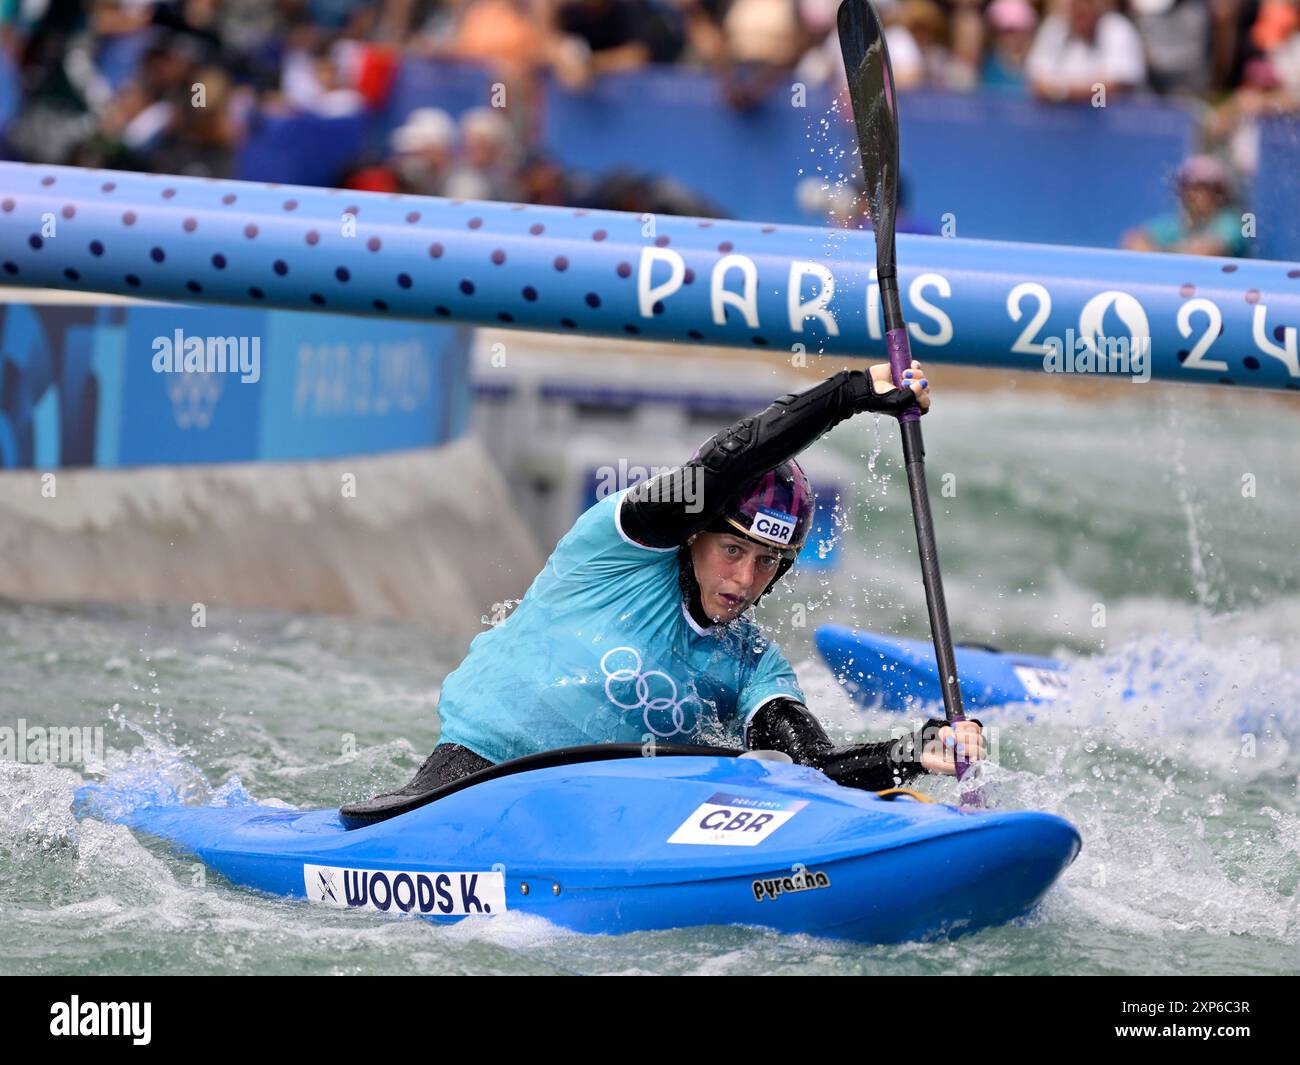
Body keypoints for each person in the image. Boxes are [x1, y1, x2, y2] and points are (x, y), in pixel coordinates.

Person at [345, 361, 984, 822]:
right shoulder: (619, 549)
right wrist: (848, 394)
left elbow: (812, 766)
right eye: (732, 550)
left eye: (767, 563)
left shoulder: (752, 664)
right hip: (472, 777)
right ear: (694, 536)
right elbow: (721, 464)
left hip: (609, 816)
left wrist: (919, 753)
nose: (743, 579)